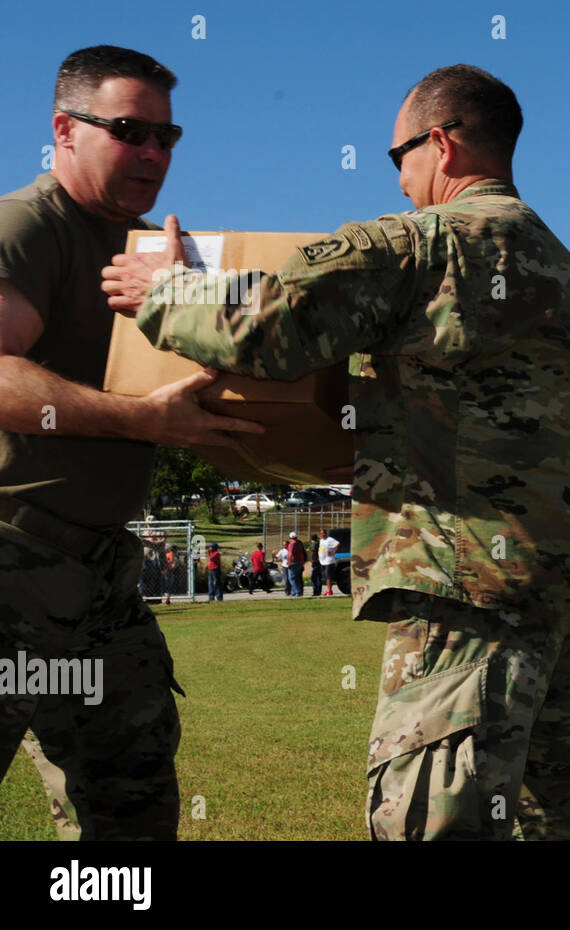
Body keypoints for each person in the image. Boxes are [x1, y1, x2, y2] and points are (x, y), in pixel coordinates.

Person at [103, 64, 570, 840]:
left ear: (442, 145)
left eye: (399, 157)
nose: (399, 181)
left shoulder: (423, 246)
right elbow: (503, 418)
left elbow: (270, 326)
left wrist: (165, 288)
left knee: (434, 824)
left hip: (468, 604)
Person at [0, 45, 260, 840]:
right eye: (128, 131)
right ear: (63, 130)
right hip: (11, 561)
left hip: (100, 577)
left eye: (166, 137)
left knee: (132, 806)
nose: (153, 152)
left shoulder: (156, 255)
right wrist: (140, 420)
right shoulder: (28, 225)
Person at [318, 530, 340, 596]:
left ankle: (329, 591)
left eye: (324, 533)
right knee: (325, 577)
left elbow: (338, 544)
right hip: (322, 562)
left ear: (326, 534)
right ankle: (328, 590)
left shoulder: (329, 539)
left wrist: (333, 552)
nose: (323, 534)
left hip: (329, 561)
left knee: (328, 577)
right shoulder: (321, 541)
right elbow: (321, 549)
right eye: (321, 533)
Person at [286, 530, 306, 597]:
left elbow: (290, 554)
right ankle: (293, 592)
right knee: (297, 578)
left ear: (290, 537)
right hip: (299, 562)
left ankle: (297, 591)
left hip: (293, 562)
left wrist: (289, 562)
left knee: (291, 578)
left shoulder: (291, 544)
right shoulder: (299, 543)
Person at [308, 532, 323, 596]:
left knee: (313, 578)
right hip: (320, 561)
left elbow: (314, 553)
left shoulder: (314, 544)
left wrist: (312, 561)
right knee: (319, 577)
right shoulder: (319, 543)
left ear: (311, 538)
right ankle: (319, 591)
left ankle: (315, 591)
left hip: (315, 562)